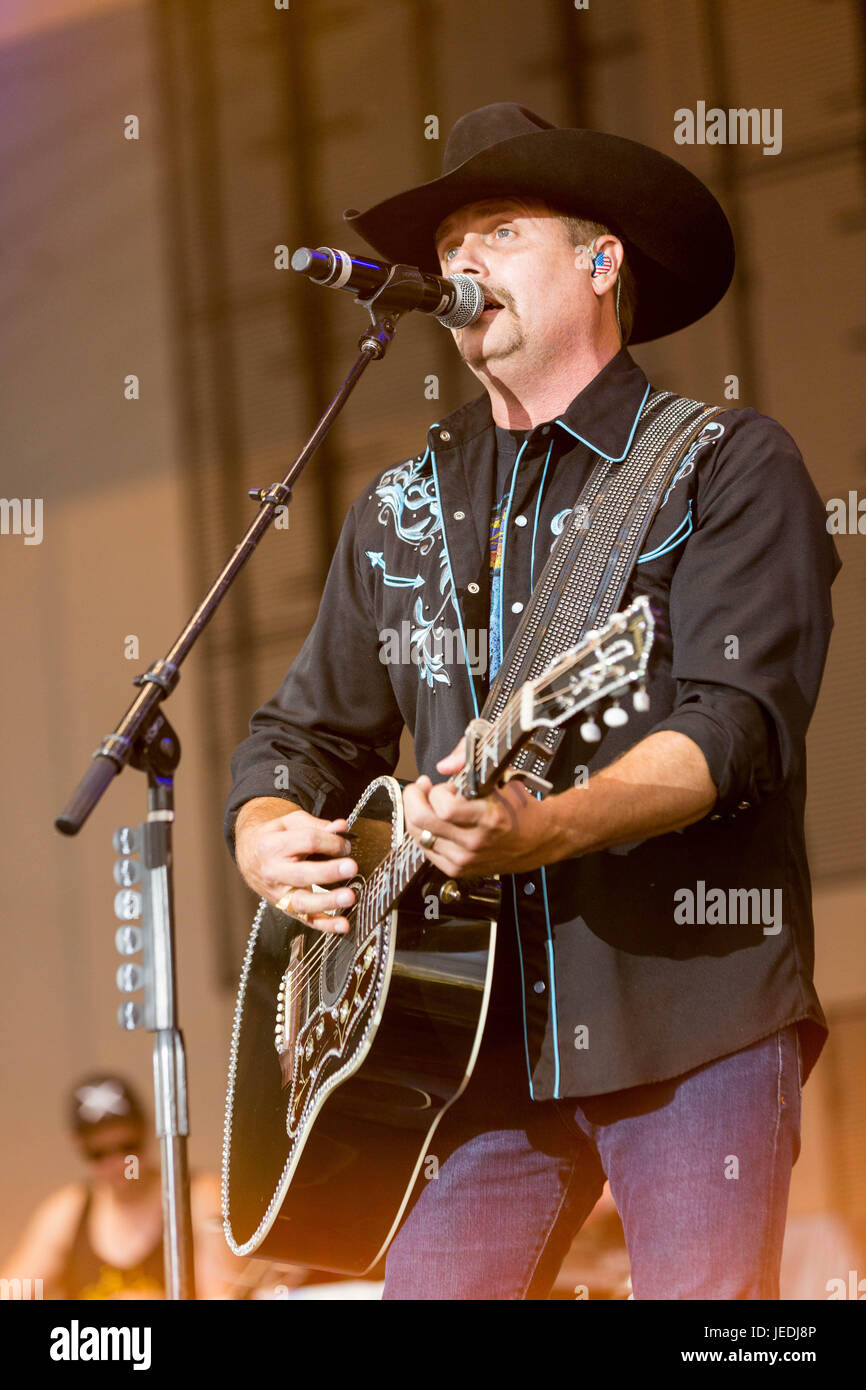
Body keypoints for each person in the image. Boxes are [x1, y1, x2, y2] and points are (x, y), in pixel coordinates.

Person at [224, 103, 841, 1299]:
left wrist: (543, 828)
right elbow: (301, 734)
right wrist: (263, 828)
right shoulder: (402, 503)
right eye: (449, 242)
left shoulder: (722, 462)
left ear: (600, 261)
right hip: (470, 1047)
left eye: (499, 233)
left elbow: (734, 728)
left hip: (689, 1013)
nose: (460, 264)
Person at [1, 1074, 245, 1299]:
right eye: (98, 1153)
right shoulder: (68, 1211)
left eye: (128, 1147)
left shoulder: (199, 1197)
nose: (118, 1164)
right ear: (79, 1148)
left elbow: (224, 1295)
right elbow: (13, 1289)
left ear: (149, 1132)